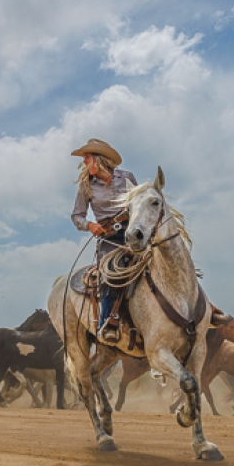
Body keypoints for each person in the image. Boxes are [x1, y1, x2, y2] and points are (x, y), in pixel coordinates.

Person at [70, 138, 137, 343]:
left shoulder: (127, 177)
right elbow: (77, 216)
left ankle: (203, 309)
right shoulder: (86, 185)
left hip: (134, 231)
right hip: (109, 237)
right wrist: (90, 225)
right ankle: (108, 321)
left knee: (169, 253)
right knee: (110, 273)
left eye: (87, 158)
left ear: (99, 159)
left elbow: (140, 202)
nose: (84, 162)